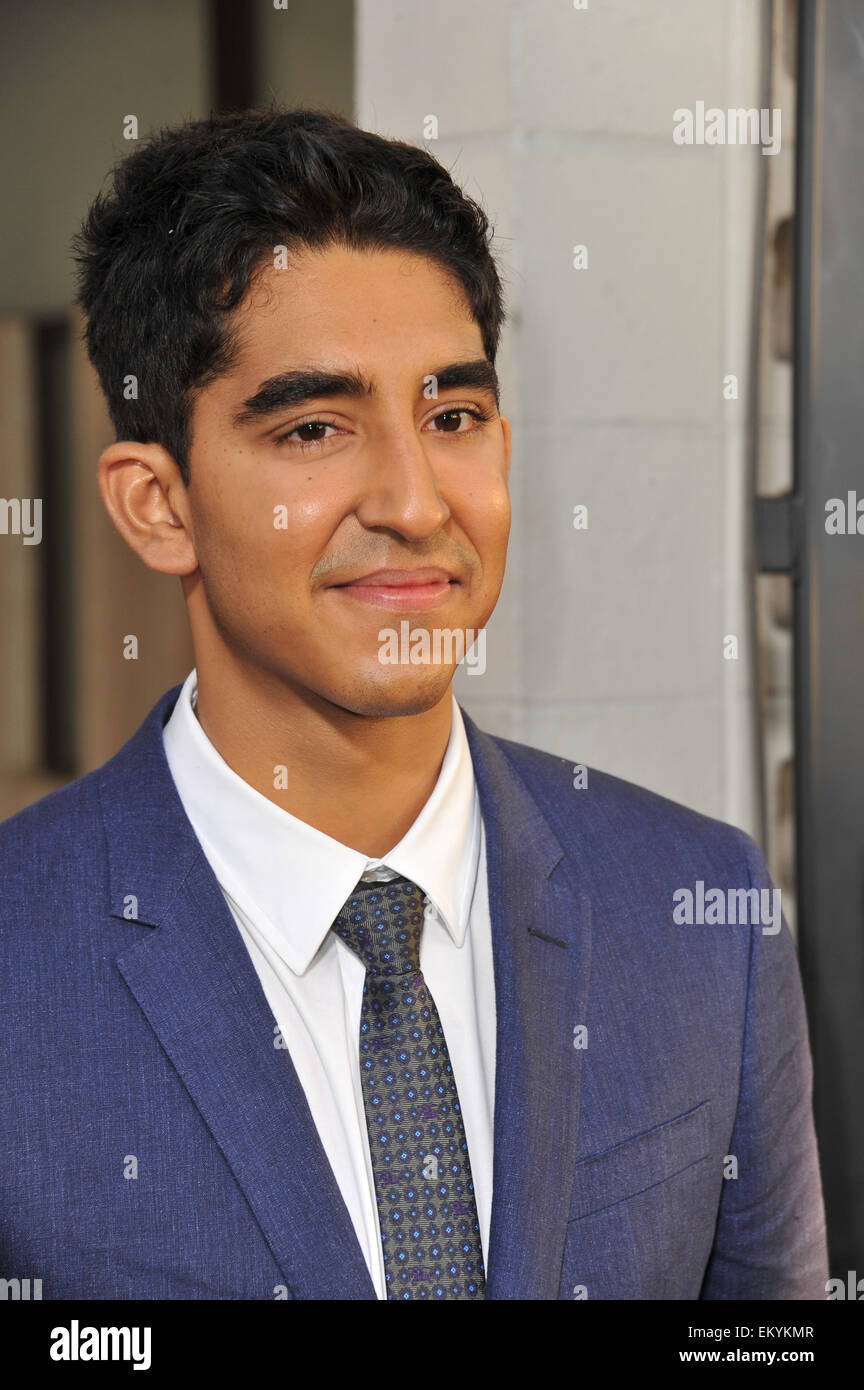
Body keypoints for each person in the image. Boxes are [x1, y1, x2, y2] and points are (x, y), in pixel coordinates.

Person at [0, 106, 827, 1300]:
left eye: (452, 417)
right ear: (159, 507)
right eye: (315, 427)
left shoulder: (701, 912)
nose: (413, 499)